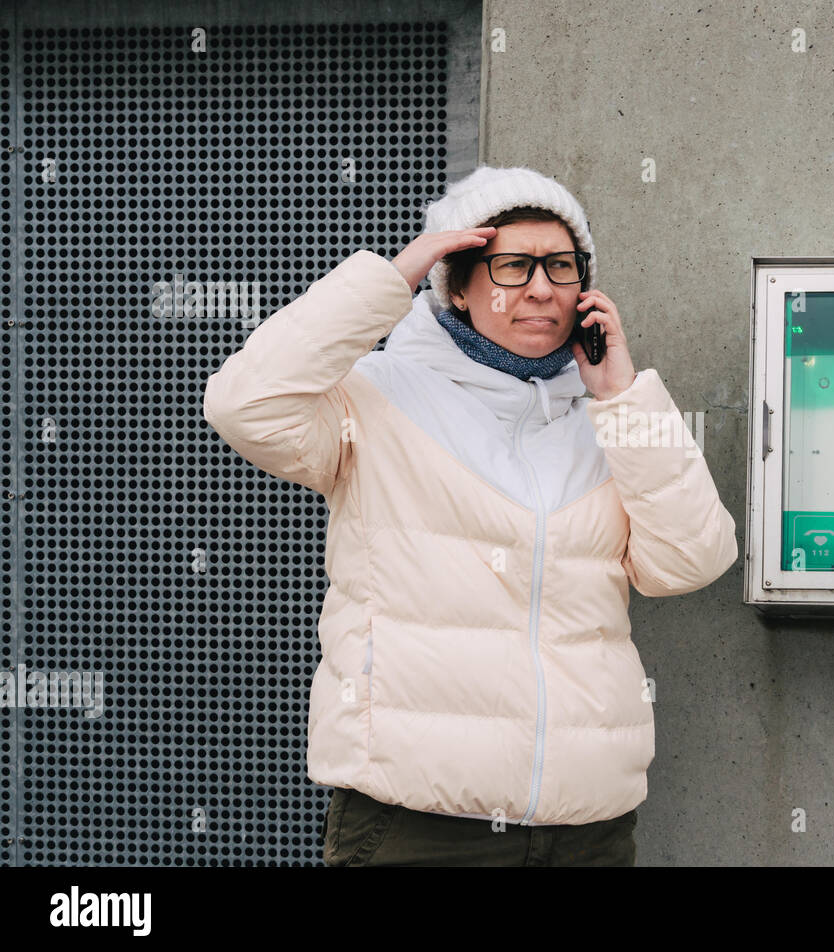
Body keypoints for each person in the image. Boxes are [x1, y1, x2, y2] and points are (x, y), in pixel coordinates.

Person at [202, 164, 738, 866]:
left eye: (561, 266)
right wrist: (391, 280)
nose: (542, 286)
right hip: (420, 825)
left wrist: (621, 394)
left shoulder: (610, 420)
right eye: (511, 266)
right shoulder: (378, 397)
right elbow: (244, 404)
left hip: (587, 829)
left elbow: (690, 561)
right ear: (455, 284)